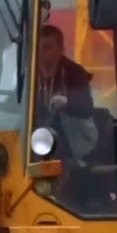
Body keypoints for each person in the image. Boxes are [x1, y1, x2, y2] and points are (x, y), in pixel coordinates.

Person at [34, 24, 97, 161]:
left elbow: (86, 107)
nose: (41, 52)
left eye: (47, 47)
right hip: (40, 135)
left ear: (60, 50)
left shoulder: (75, 73)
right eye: (38, 47)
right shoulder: (31, 74)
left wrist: (67, 103)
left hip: (73, 135)